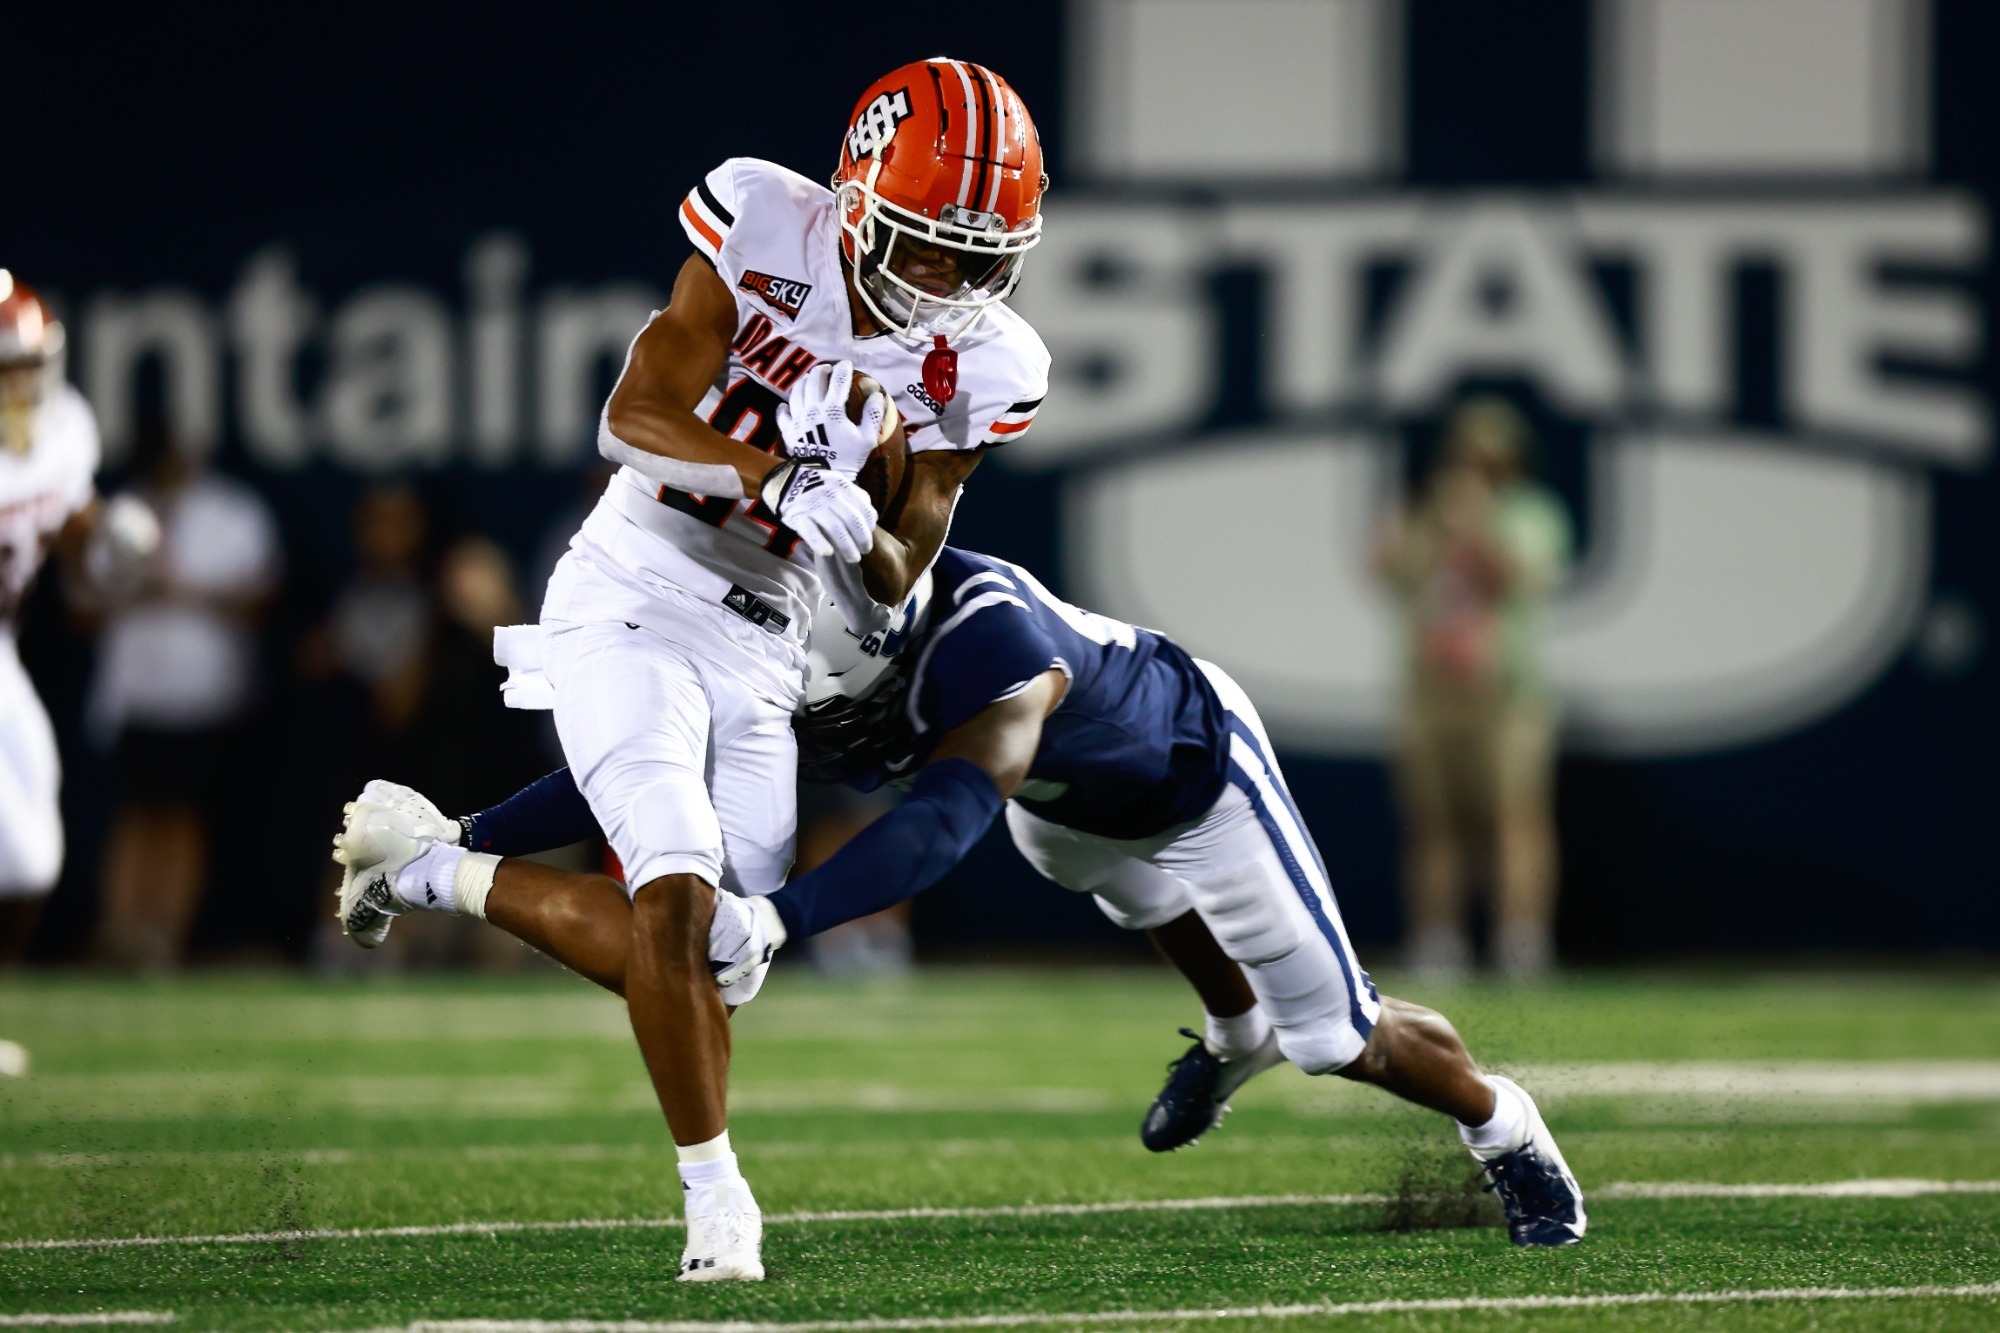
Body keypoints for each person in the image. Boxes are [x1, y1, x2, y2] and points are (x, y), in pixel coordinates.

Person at [335, 547, 1588, 1256]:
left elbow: (941, 820)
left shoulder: (986, 642)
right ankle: (1228, 1031)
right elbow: (631, 770)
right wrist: (470, 834)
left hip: (1189, 775)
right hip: (1067, 814)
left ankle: (1506, 1129)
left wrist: (784, 918)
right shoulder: (814, 651)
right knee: (1100, 877)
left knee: (1335, 1036)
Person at [336, 60, 1052, 1281]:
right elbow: (631, 415)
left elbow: (898, 569)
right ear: (857, 197)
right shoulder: (763, 219)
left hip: (770, 633)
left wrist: (860, 515)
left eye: (973, 256)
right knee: (667, 892)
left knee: (722, 947)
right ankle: (718, 1204)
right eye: (924, 246)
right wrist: (767, 471)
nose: (945, 281)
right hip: (639, 579)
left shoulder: (987, 363)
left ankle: (431, 866)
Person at [0, 271, 159, 1060]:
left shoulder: (61, 429)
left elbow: (62, 518)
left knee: (33, 856)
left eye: (30, 363)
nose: (24, 383)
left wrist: (104, 532)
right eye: (7, 368)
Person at [1373, 397, 1572, 980]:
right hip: (1430, 688)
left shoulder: (1531, 513)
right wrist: (1426, 527)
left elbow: (1517, 580)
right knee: (1433, 819)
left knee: (1516, 814)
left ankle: (1521, 940)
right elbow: (1388, 573)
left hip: (1504, 690)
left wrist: (1477, 525)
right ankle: (1440, 940)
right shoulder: (1426, 512)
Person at [85, 414, 280, 970]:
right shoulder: (120, 513)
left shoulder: (233, 511)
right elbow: (82, 607)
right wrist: (134, 590)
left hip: (205, 696)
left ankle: (162, 939)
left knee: (184, 817)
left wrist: (187, 591)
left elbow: (262, 599)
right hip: (135, 692)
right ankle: (120, 933)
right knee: (136, 813)